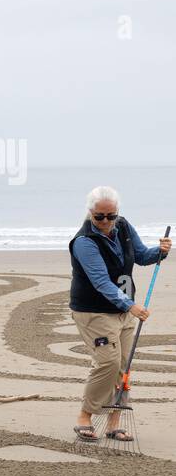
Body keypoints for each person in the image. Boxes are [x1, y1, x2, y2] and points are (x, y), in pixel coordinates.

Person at [68, 186, 170, 443]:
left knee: (123, 367)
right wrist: (130, 306)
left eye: (110, 216)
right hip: (94, 312)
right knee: (108, 363)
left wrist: (161, 252)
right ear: (90, 213)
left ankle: (114, 422)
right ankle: (84, 416)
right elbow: (101, 282)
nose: (105, 222)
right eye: (99, 216)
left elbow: (143, 256)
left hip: (123, 309)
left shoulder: (123, 227)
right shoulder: (84, 242)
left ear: (117, 213)